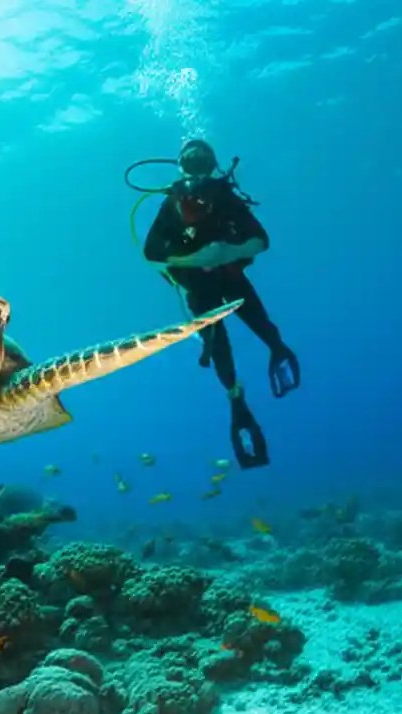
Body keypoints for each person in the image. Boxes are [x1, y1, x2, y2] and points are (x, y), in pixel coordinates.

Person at [143, 139, 299, 469]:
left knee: (255, 325)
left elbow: (260, 240)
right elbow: (152, 253)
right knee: (218, 342)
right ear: (181, 167)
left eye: (202, 161)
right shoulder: (172, 205)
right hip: (201, 285)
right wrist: (200, 258)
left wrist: (225, 254)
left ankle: (275, 352)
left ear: (213, 166)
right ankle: (237, 396)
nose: (197, 168)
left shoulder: (225, 197)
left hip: (228, 277)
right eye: (191, 161)